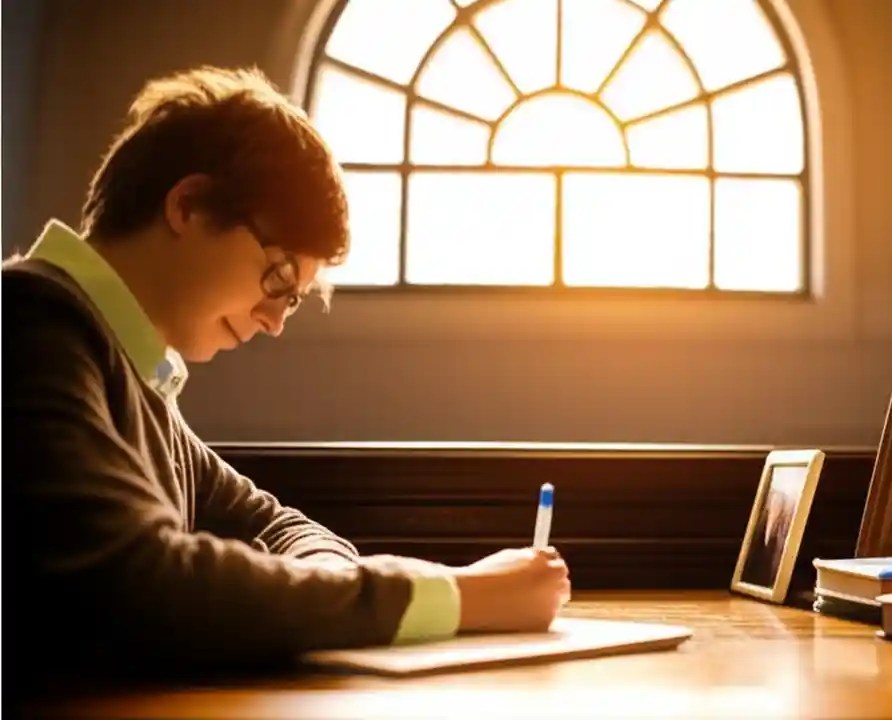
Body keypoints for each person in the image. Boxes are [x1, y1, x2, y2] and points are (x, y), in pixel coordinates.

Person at [2, 66, 569, 676]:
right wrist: (461, 597)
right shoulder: (31, 324)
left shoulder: (130, 371)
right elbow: (140, 584)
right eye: (277, 277)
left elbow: (276, 524)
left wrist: (327, 595)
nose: (274, 321)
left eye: (292, 298)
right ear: (188, 205)